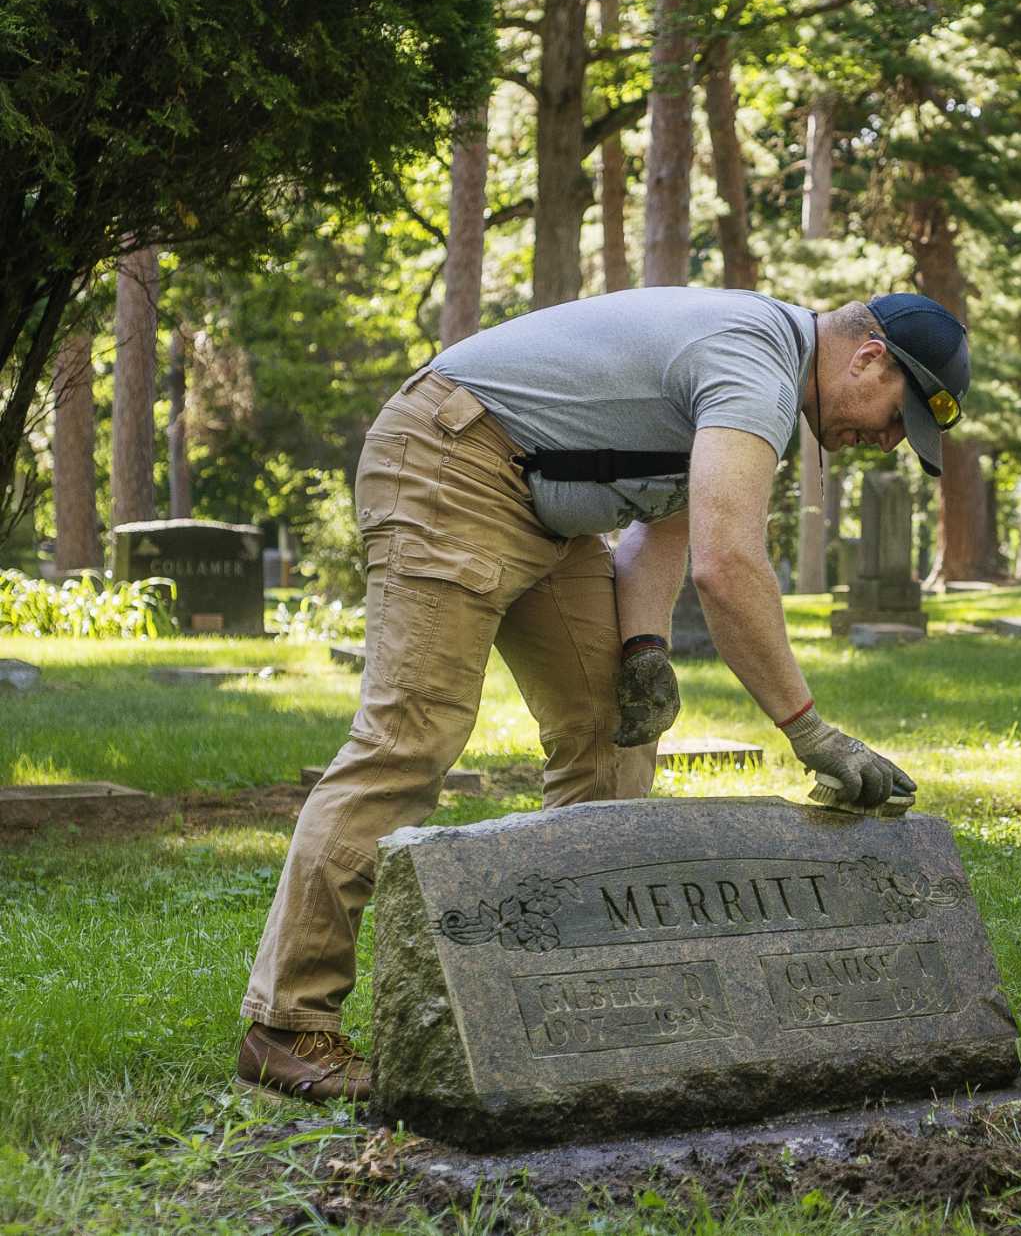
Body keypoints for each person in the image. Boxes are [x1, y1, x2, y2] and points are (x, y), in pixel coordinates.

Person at [235, 287, 971, 1103]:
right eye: (898, 417)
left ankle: (567, 991)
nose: (887, 440)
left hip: (544, 507)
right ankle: (287, 1023)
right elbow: (726, 565)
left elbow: (665, 521)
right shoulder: (757, 366)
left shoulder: (761, 376)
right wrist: (809, 729)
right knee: (411, 738)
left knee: (612, 727)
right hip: (452, 457)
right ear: (869, 359)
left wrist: (644, 648)